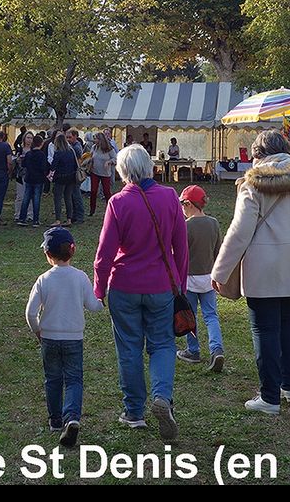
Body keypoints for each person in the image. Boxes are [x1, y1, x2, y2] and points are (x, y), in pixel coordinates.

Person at [211, 130, 290, 415]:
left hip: (263, 264)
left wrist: (220, 270)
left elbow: (239, 231)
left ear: (258, 155)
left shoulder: (252, 183)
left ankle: (269, 396)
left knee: (264, 329)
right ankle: (289, 387)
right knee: (286, 323)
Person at [93, 145, 187, 443]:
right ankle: (162, 397)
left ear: (122, 171)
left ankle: (134, 412)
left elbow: (104, 252)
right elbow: (181, 247)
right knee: (162, 345)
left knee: (129, 349)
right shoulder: (171, 197)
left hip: (124, 285)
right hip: (161, 285)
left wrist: (99, 287)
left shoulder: (118, 202)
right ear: (150, 167)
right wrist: (180, 285)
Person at [26, 226, 105, 448]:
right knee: (74, 378)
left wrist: (38, 331)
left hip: (49, 337)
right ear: (73, 250)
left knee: (52, 378)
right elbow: (92, 305)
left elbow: (31, 313)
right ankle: (72, 417)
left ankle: (55, 420)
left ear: (47, 254)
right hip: (74, 338)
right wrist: (102, 300)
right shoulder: (80, 277)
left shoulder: (43, 279)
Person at [176, 185, 224, 372]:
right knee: (211, 316)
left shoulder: (185, 226)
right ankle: (216, 348)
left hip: (189, 279)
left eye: (182, 204)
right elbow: (218, 251)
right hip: (209, 277)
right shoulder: (213, 223)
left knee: (191, 315)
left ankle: (193, 350)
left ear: (188, 204)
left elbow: (180, 255)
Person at [19, 134, 49, 226]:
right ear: (41, 144)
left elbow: (24, 164)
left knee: (26, 198)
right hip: (38, 179)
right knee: (36, 199)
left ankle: (22, 218)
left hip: (29, 177)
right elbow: (44, 167)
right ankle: (35, 220)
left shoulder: (28, 154)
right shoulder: (42, 155)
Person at [50, 134, 79, 226]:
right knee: (68, 198)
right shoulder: (71, 151)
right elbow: (75, 164)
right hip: (71, 177)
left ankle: (58, 219)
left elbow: (53, 166)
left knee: (58, 198)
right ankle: (69, 219)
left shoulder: (58, 152)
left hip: (60, 177)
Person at [88, 132, 117, 217]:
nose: (94, 140)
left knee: (106, 192)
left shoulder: (109, 149)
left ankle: (110, 210)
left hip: (105, 173)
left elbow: (115, 158)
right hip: (95, 172)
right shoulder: (94, 147)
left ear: (100, 139)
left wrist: (109, 161)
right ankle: (92, 210)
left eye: (96, 138)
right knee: (93, 191)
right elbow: (91, 156)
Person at [65, 129, 86, 224]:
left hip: (75, 174)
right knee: (72, 195)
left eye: (70, 137)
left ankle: (80, 216)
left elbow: (78, 160)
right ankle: (74, 215)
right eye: (67, 137)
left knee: (76, 195)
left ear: (75, 136)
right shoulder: (72, 146)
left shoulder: (76, 147)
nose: (68, 139)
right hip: (71, 174)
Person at [13, 131, 34, 222]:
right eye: (28, 138)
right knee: (20, 196)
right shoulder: (20, 150)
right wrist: (17, 160)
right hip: (20, 175)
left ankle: (30, 214)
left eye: (31, 138)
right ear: (24, 139)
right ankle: (18, 214)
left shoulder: (34, 150)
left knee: (30, 196)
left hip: (31, 175)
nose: (29, 140)